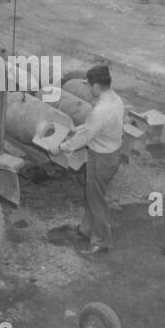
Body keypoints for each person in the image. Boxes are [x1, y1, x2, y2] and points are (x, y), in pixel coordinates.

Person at [58, 64, 125, 254]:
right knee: (92, 195)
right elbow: (93, 128)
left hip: (101, 159)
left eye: (89, 85)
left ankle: (101, 242)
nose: (88, 88)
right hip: (111, 155)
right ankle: (86, 229)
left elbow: (88, 135)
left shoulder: (101, 109)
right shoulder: (116, 100)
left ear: (96, 86)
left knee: (96, 201)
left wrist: (63, 147)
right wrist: (76, 129)